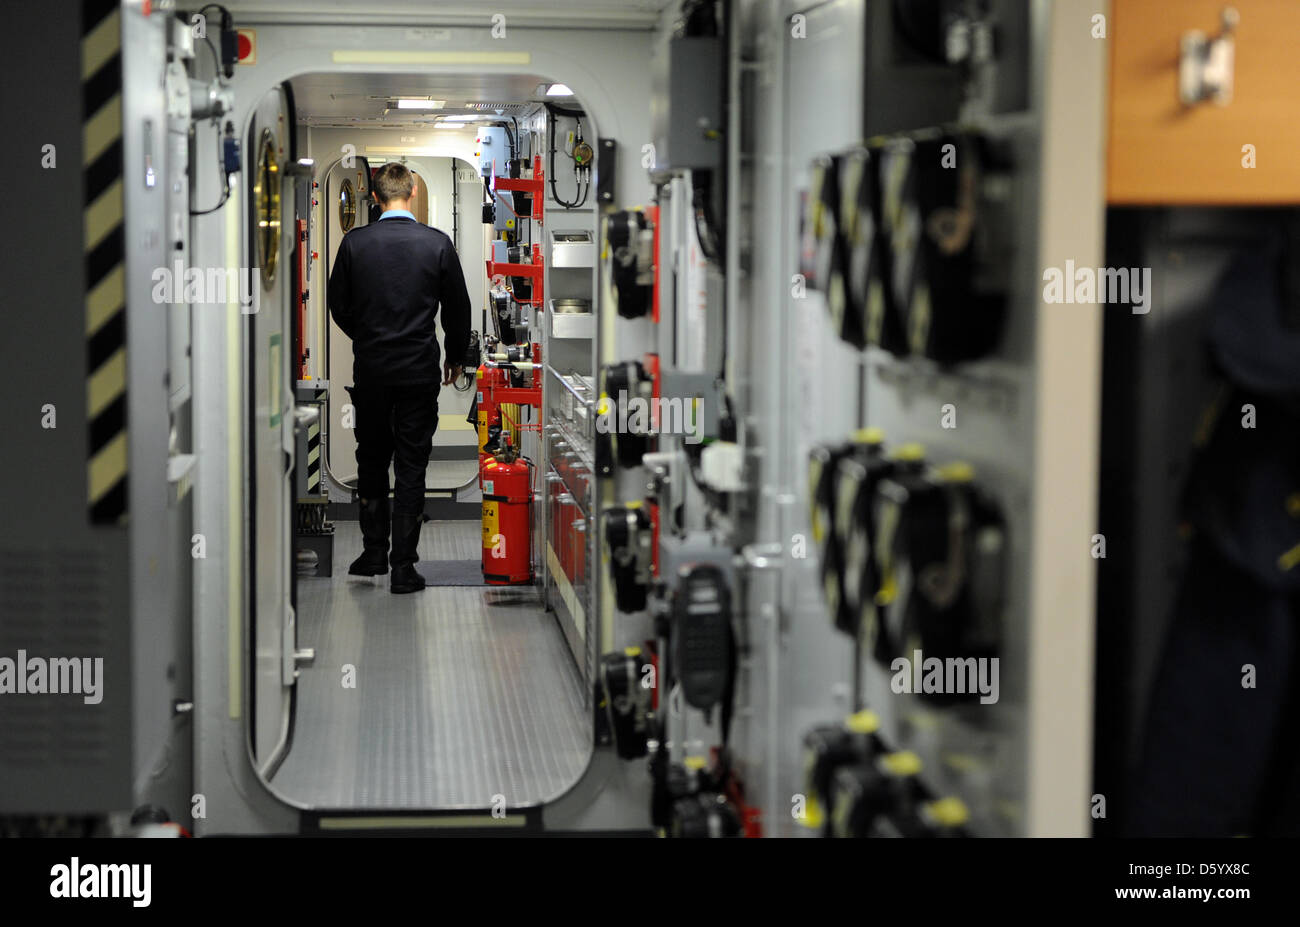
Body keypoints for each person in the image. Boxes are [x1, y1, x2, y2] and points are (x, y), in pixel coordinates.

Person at [327, 161, 472, 594]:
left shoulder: (355, 243)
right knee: (412, 465)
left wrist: (368, 337)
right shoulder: (437, 244)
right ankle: (404, 568)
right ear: (411, 192)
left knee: (371, 460)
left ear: (374, 198)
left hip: (371, 373)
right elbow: (458, 308)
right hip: (417, 373)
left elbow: (338, 305)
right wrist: (454, 356)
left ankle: (373, 553)